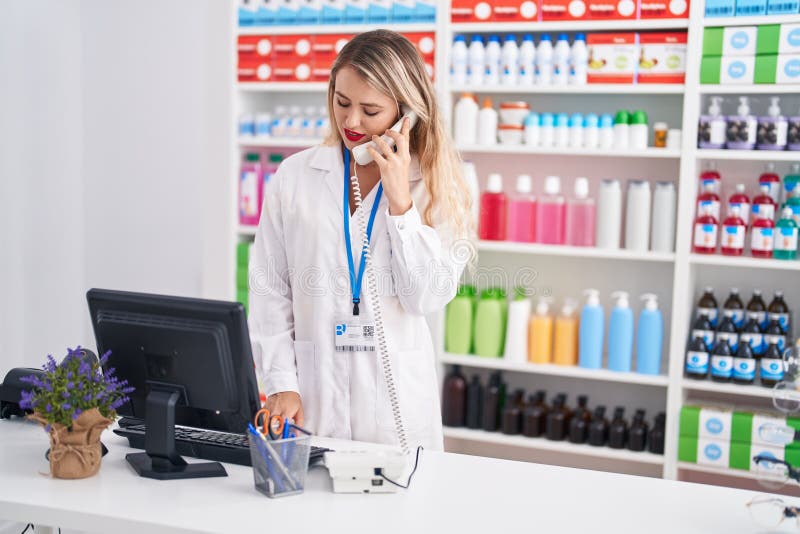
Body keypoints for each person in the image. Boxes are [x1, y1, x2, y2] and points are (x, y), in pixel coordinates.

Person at [248, 30, 472, 451]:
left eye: (370, 110)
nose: (351, 123)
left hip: (397, 413)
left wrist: (401, 202)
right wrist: (280, 381)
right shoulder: (295, 177)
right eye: (342, 102)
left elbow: (426, 297)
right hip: (313, 406)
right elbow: (269, 289)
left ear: (406, 112)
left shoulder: (439, 187)